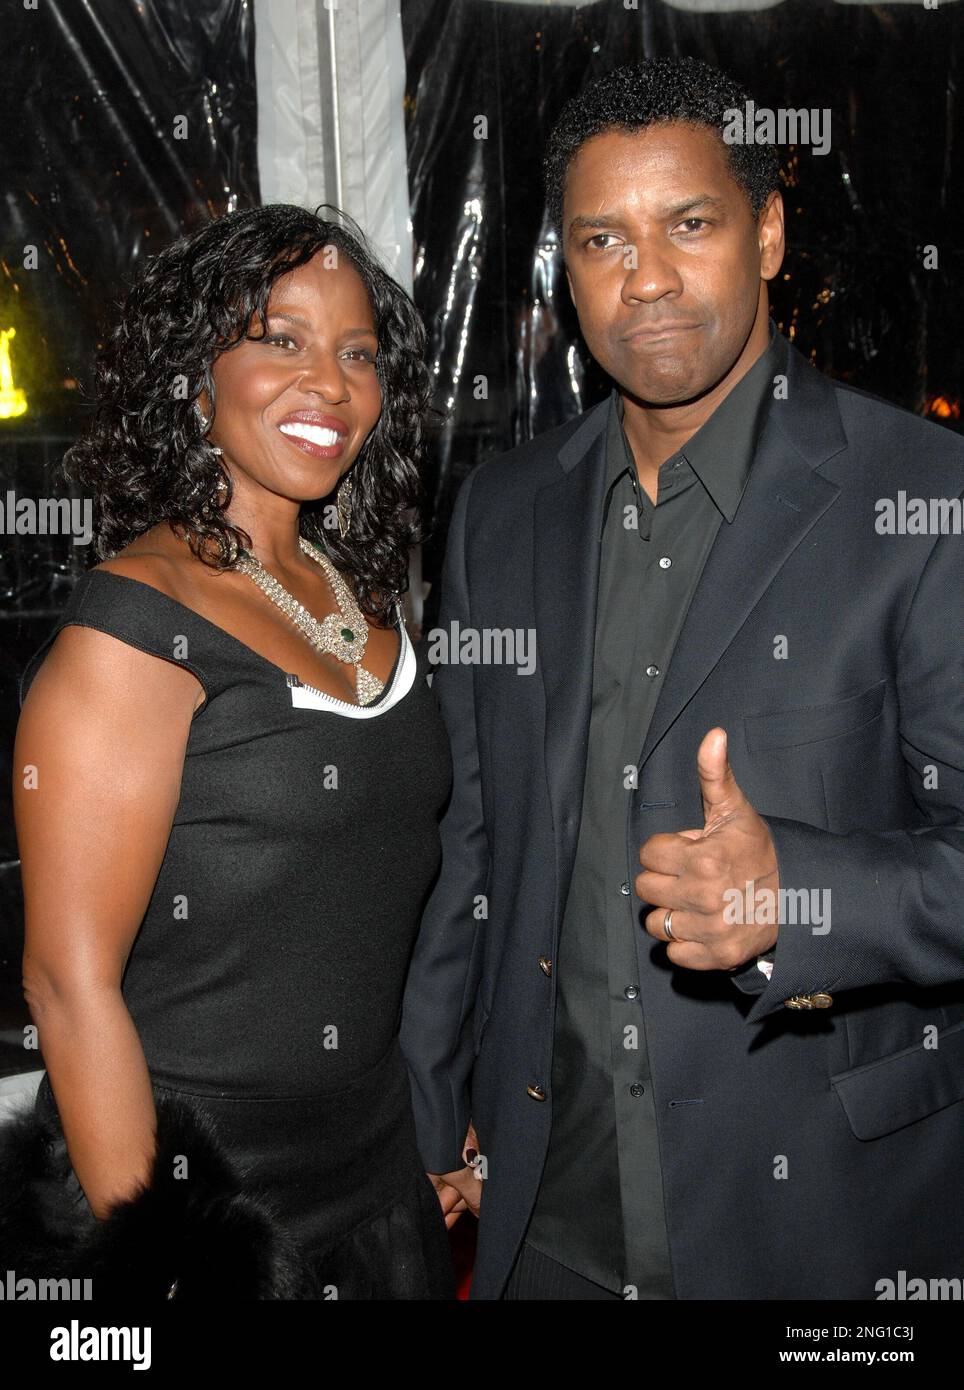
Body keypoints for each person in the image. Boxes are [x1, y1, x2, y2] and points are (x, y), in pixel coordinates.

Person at [400, 57, 964, 1300]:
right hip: (550, 1214)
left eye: (690, 224)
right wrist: (431, 1103)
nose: (644, 277)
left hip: (824, 1227)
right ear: (562, 264)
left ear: (767, 234)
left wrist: (802, 895)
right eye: (601, 239)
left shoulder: (922, 503)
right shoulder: (501, 514)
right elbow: (472, 842)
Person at [5, 203, 455, 1300]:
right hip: (205, 1215)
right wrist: (166, 1266)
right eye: (280, 339)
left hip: (381, 1182)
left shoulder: (367, 599)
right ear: (195, 371)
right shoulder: (137, 622)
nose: (331, 383)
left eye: (357, 353)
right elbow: (68, 986)